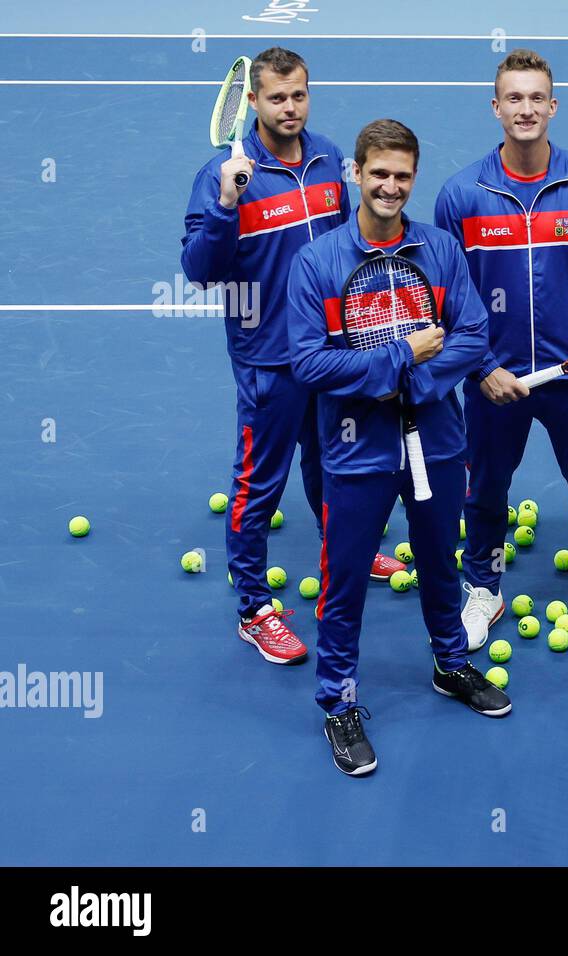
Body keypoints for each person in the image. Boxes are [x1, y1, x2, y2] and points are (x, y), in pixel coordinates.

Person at [287, 119, 509, 777]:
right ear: (355, 174)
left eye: (402, 176)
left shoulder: (440, 250)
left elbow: (471, 336)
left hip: (437, 440)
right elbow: (307, 364)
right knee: (346, 576)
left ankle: (450, 665)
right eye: (378, 173)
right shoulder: (317, 263)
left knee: (441, 558)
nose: (390, 186)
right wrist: (397, 358)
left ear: (414, 179)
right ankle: (339, 704)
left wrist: (405, 380)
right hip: (356, 449)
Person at [181, 46, 405, 668]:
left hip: (331, 350)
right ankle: (255, 609)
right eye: (277, 97)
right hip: (269, 359)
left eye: (299, 94)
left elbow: (353, 243)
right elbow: (200, 271)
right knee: (259, 483)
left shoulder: (333, 158)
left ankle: (346, 549)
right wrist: (228, 204)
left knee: (334, 463)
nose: (290, 107)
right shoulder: (224, 174)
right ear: (252, 101)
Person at [435, 49, 568, 653]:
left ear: (553, 105)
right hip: (495, 382)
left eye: (535, 97)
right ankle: (484, 587)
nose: (525, 109)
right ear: (496, 108)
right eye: (512, 98)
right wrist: (483, 367)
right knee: (486, 488)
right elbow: (451, 298)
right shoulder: (461, 194)